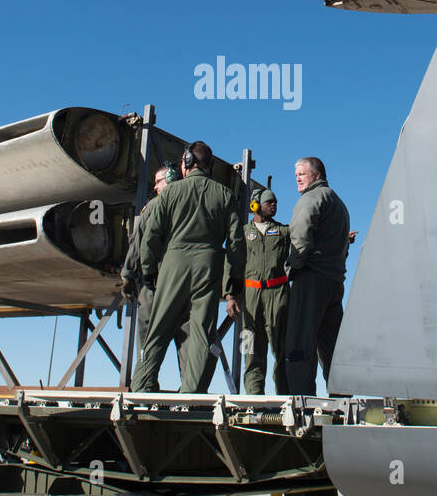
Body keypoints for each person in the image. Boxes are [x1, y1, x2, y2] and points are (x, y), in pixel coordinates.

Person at [133, 141, 245, 393]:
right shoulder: (225, 195)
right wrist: (232, 286)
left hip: (173, 265)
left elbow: (151, 235)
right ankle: (192, 394)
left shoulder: (171, 193)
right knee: (201, 334)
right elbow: (237, 245)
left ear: (185, 163)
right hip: (209, 266)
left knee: (158, 330)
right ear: (210, 166)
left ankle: (141, 387)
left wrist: (149, 270)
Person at [285, 158, 349, 395]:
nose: (298, 178)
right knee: (332, 346)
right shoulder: (339, 203)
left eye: (302, 173)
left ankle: (301, 404)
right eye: (296, 175)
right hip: (334, 281)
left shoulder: (311, 199)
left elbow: (300, 239)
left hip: (311, 278)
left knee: (299, 345)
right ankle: (342, 400)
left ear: (317, 174)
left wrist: (291, 269)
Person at [120, 162, 191, 375]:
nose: (155, 188)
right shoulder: (191, 205)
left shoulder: (153, 206)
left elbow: (138, 243)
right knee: (187, 340)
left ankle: (145, 387)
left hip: (155, 282)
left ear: (168, 180)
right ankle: (191, 394)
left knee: (149, 338)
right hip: (185, 283)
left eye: (158, 182)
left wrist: (128, 275)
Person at [227, 187, 289, 394]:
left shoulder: (283, 232)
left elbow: (309, 242)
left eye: (275, 202)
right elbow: (232, 265)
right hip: (250, 299)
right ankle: (255, 399)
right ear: (255, 206)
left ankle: (284, 398)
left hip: (278, 296)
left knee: (282, 351)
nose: (274, 205)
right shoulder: (243, 233)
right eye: (269, 202)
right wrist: (230, 297)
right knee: (250, 349)